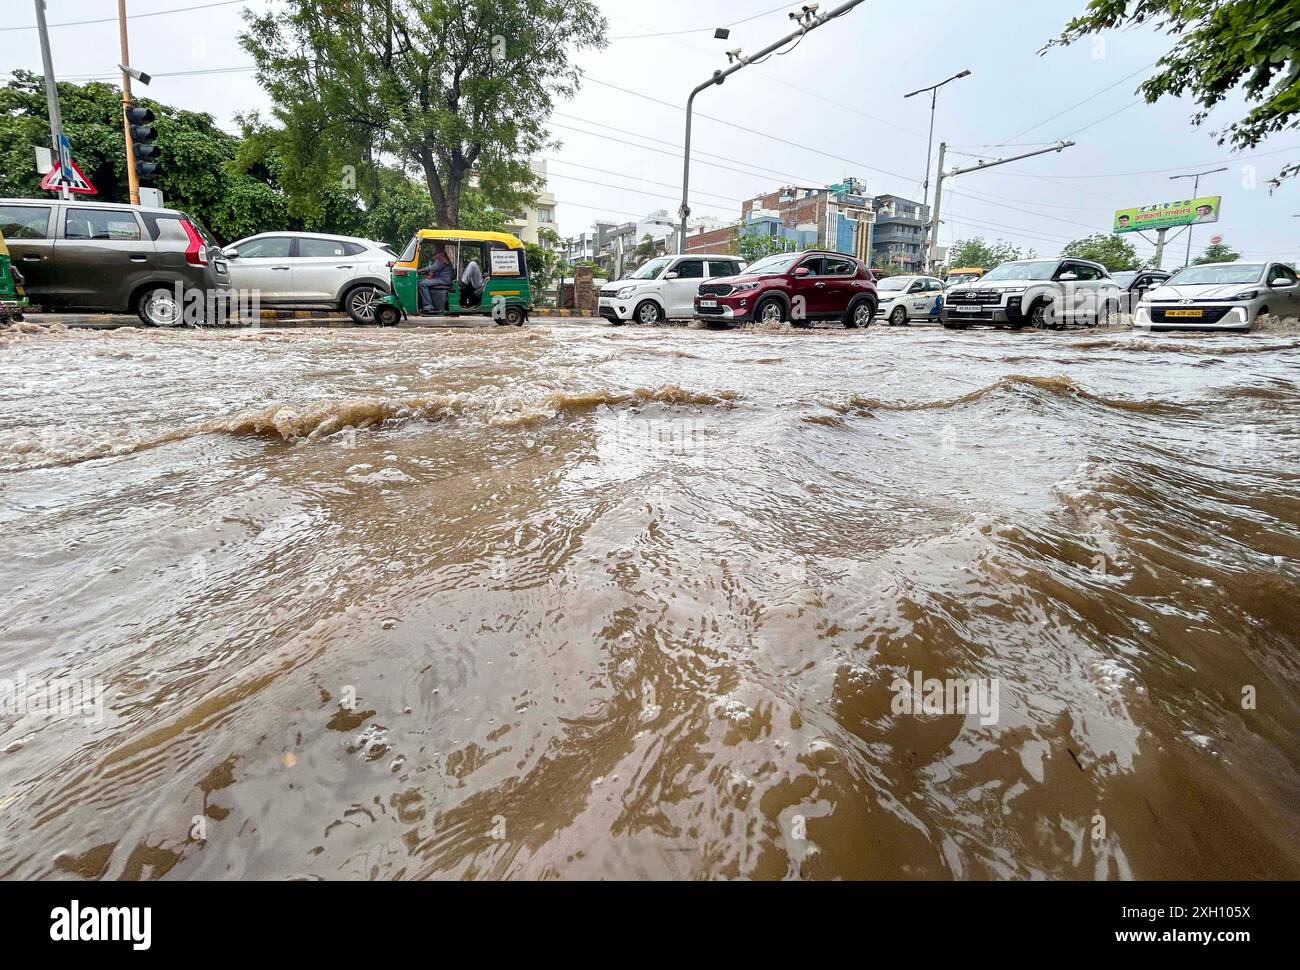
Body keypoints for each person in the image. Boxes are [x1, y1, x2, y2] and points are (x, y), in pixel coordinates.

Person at [418, 245, 454, 314]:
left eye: (435, 247)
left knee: (422, 284)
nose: (433, 249)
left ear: (439, 248)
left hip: (443, 280)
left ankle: (428, 306)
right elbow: (434, 269)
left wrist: (421, 270)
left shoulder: (441, 257)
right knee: (420, 281)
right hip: (441, 279)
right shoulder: (441, 256)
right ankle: (422, 304)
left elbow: (434, 268)